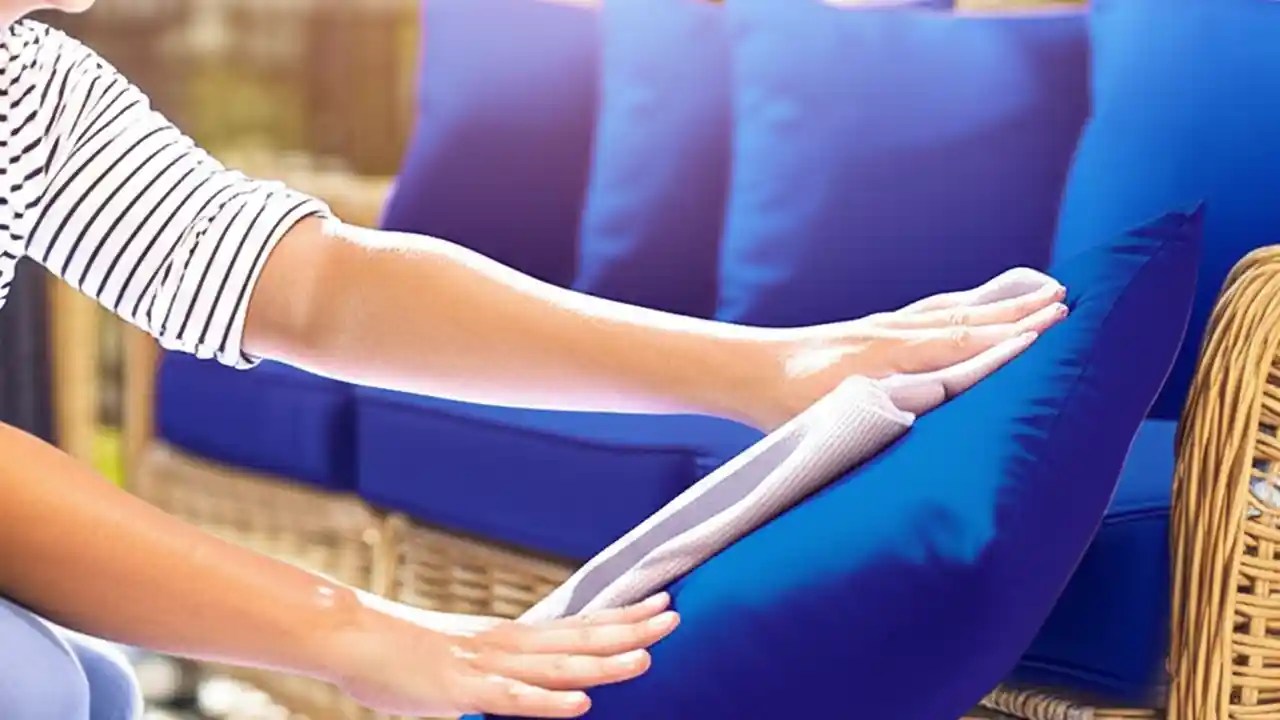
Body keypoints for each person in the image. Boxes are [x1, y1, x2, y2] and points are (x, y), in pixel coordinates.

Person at [0, 1, 1069, 718]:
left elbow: (310, 285)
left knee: (92, 686)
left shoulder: (33, 88)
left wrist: (761, 369)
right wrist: (358, 633)